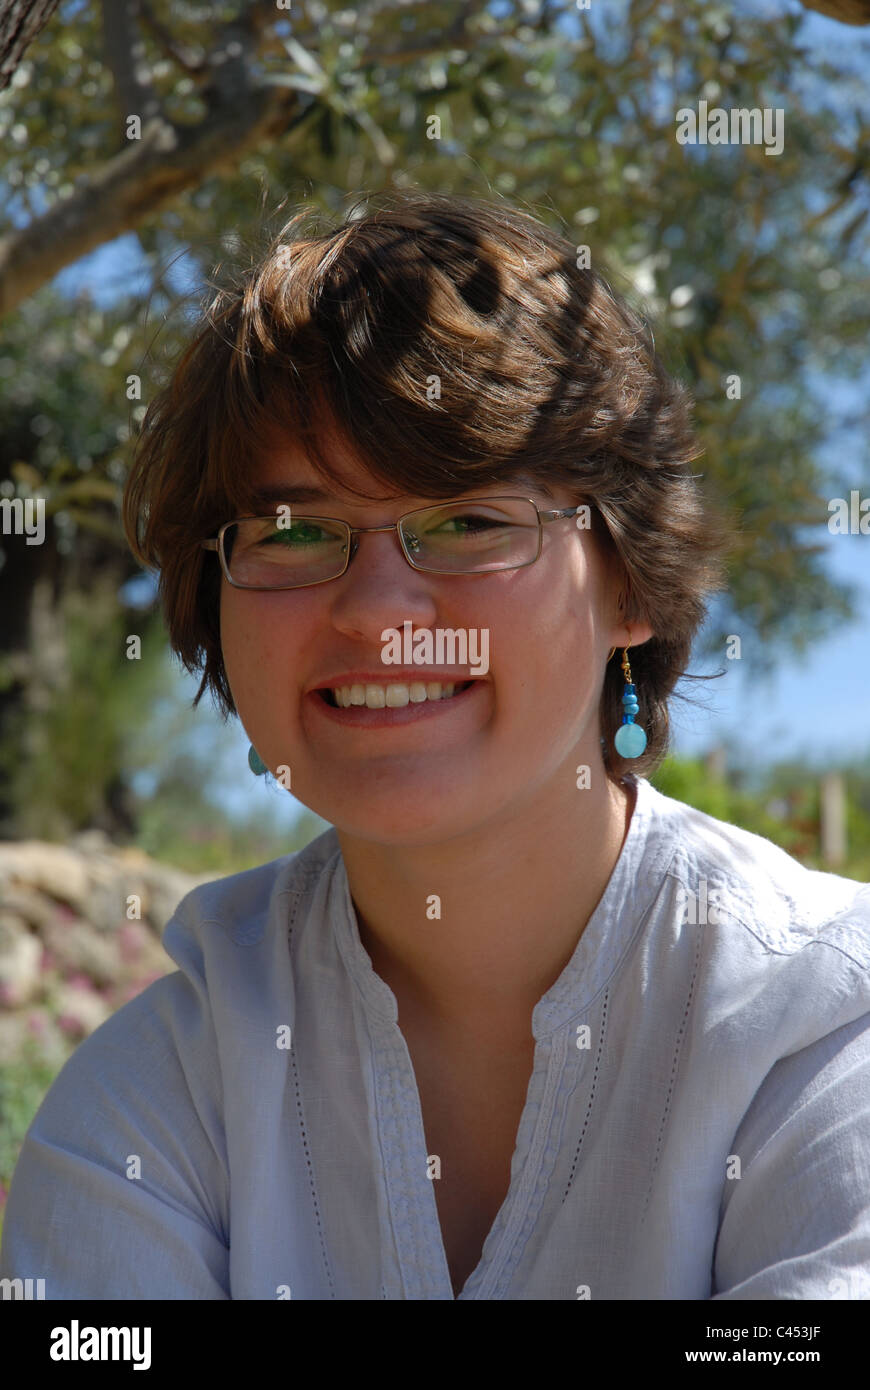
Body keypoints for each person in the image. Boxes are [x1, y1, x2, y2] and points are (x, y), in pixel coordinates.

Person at [2, 190, 869, 1301]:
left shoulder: (825, 1030)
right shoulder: (152, 1100)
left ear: (633, 581)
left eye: (467, 520)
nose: (377, 608)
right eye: (296, 531)